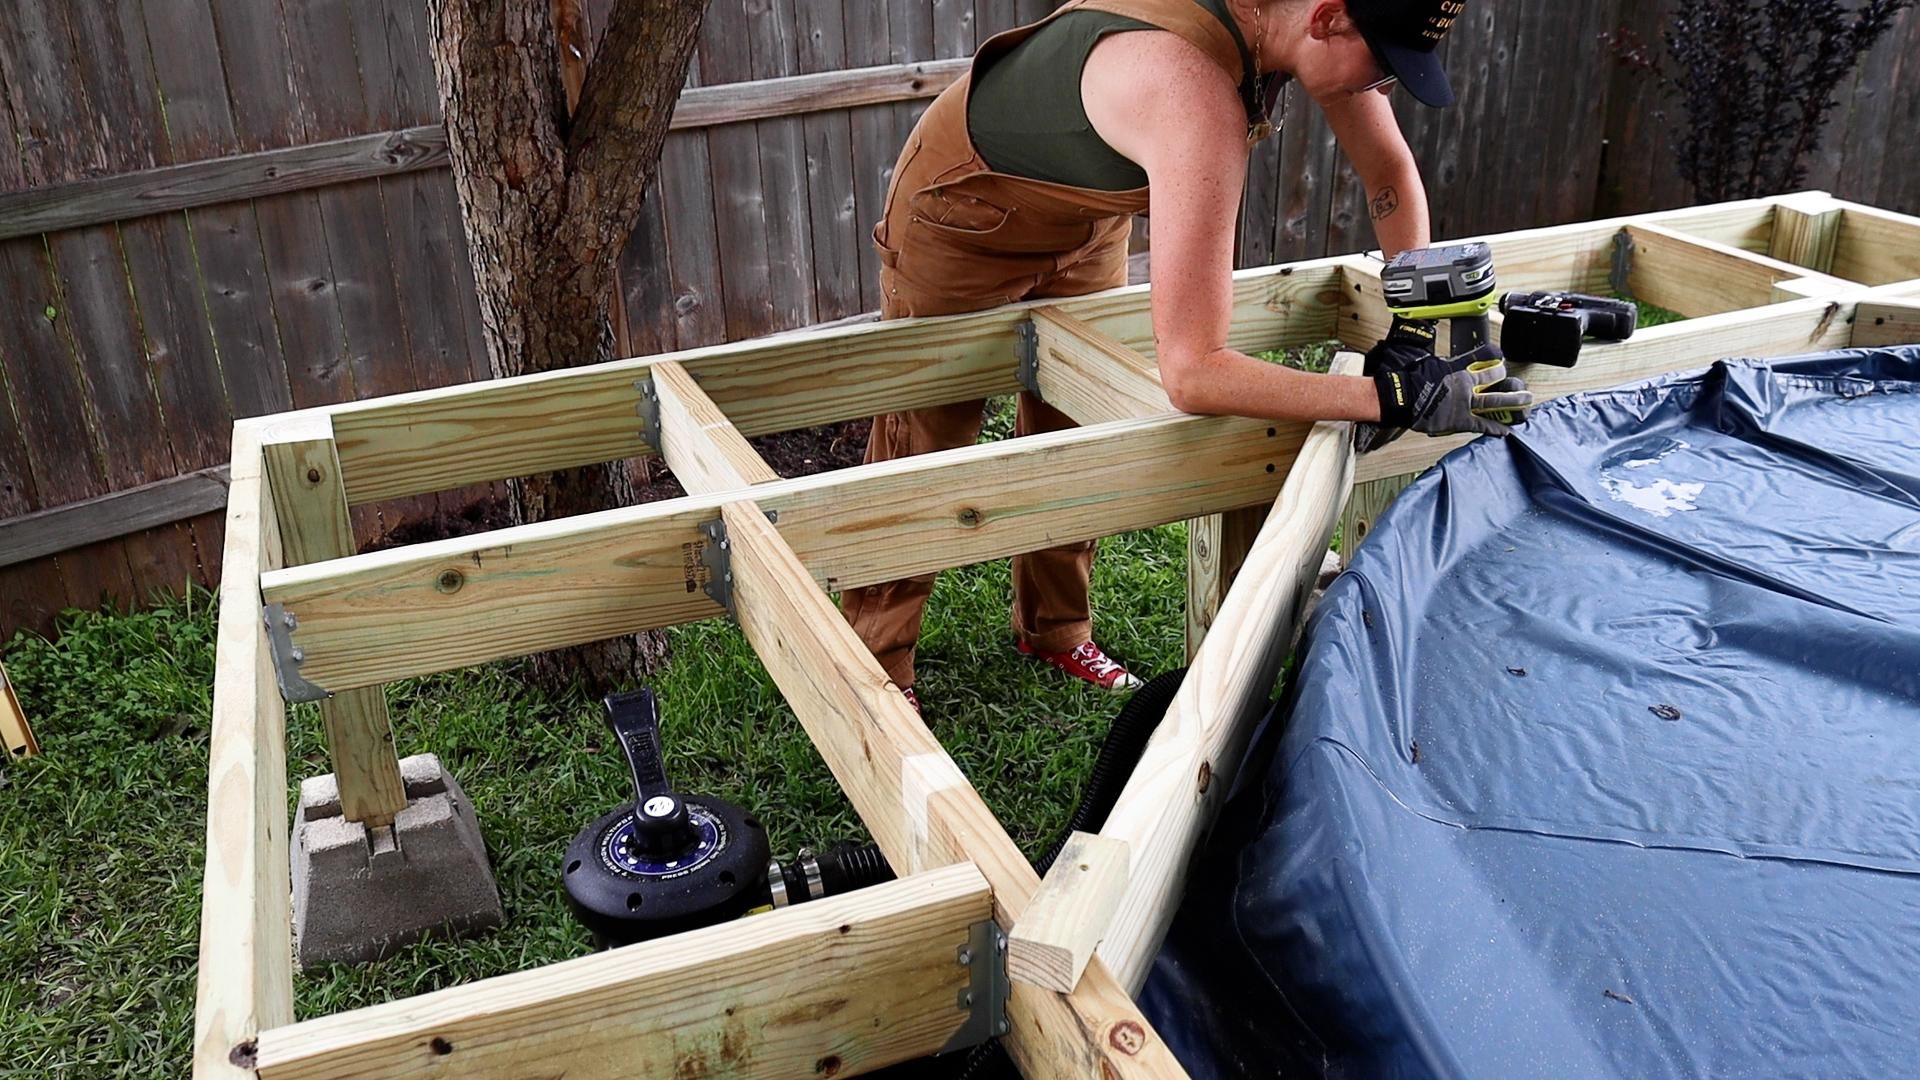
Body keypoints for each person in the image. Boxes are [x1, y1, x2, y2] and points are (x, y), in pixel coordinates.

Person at [841, 0, 1529, 712]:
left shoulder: (1296, 24)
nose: (1379, 85)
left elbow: (1387, 171)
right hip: (966, 211)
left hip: (1087, 214)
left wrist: (1418, 316)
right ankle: (875, 668)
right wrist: (1392, 396)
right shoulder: (1192, 96)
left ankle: (1055, 631)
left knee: (1072, 419)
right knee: (926, 437)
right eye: (1383, 65)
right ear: (1327, 20)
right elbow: (1195, 372)